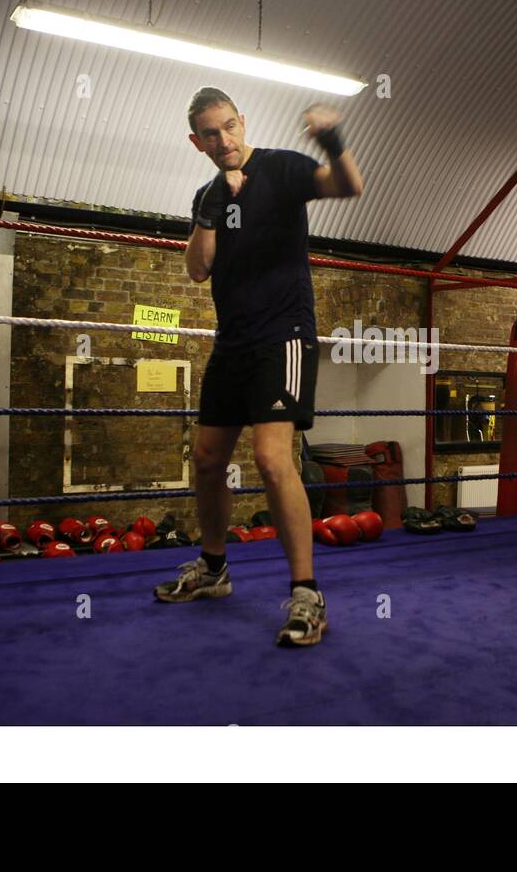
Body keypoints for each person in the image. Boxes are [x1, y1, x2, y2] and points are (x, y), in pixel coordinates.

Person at [154, 87, 364, 647]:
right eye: (211, 134)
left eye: (229, 127)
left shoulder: (282, 168)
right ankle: (215, 568)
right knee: (206, 457)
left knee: (272, 459)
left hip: (284, 336)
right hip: (234, 342)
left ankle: (307, 593)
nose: (224, 141)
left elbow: (348, 185)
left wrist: (333, 139)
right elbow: (198, 269)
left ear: (241, 122)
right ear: (196, 141)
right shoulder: (209, 192)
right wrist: (210, 208)